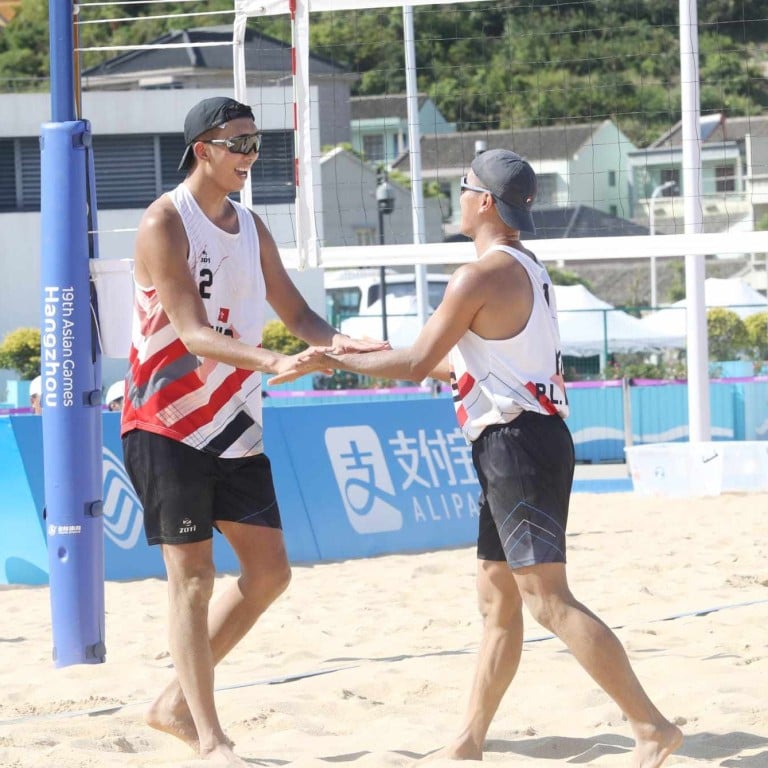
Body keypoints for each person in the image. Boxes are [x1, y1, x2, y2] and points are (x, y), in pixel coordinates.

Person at [272, 149, 683, 768]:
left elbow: (414, 366)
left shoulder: (481, 274)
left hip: (516, 445)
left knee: (548, 600)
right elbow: (453, 366)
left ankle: (651, 727)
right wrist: (370, 351)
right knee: (498, 600)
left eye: (464, 188)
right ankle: (467, 742)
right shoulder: (527, 265)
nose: (459, 198)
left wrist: (336, 357)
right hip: (520, 440)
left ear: (485, 201)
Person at [121, 95, 387, 766]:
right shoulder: (163, 222)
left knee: (269, 575)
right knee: (194, 579)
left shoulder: (250, 224)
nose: (251, 155)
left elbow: (296, 312)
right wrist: (274, 360)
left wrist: (344, 343)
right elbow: (191, 333)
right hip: (167, 422)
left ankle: (173, 703)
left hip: (234, 424)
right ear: (202, 149)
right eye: (238, 143)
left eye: (255, 142)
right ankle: (210, 738)